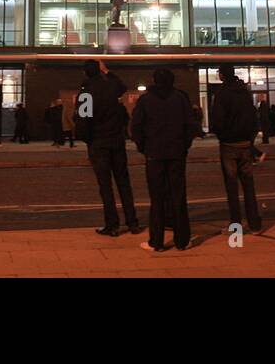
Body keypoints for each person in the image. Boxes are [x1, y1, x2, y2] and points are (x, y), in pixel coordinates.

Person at [130, 68, 197, 252]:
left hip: (154, 153)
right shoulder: (180, 98)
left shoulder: (146, 100)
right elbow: (190, 124)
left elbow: (136, 127)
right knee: (178, 196)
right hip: (176, 153)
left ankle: (157, 241)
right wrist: (184, 146)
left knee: (157, 198)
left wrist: (143, 147)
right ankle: (182, 240)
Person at [79, 60, 142, 237]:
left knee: (105, 186)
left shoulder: (86, 91)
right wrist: (107, 71)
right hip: (116, 140)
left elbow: (83, 122)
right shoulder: (111, 86)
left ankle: (112, 225)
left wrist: (88, 141)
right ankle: (132, 222)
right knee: (123, 182)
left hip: (99, 143)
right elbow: (123, 87)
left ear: (85, 73)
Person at [209, 64, 263, 235]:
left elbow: (217, 120)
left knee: (232, 189)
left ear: (222, 75)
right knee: (248, 185)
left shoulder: (222, 94)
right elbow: (253, 118)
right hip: (246, 144)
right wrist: (250, 139)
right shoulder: (245, 93)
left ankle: (236, 226)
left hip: (229, 144)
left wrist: (221, 135)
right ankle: (254, 224)